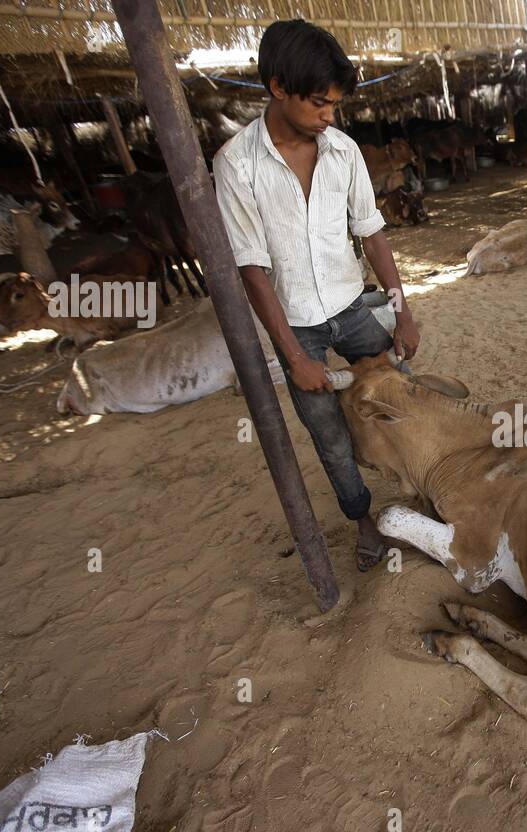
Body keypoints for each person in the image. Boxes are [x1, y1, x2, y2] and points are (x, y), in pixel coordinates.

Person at [213, 19, 419, 571]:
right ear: (279, 88)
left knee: (405, 395)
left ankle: (428, 493)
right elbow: (253, 270)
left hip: (351, 308)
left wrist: (402, 313)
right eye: (320, 103)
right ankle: (365, 524)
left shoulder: (344, 152)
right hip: (296, 324)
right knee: (327, 433)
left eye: (335, 105)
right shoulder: (236, 165)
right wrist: (296, 357)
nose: (330, 116)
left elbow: (371, 234)